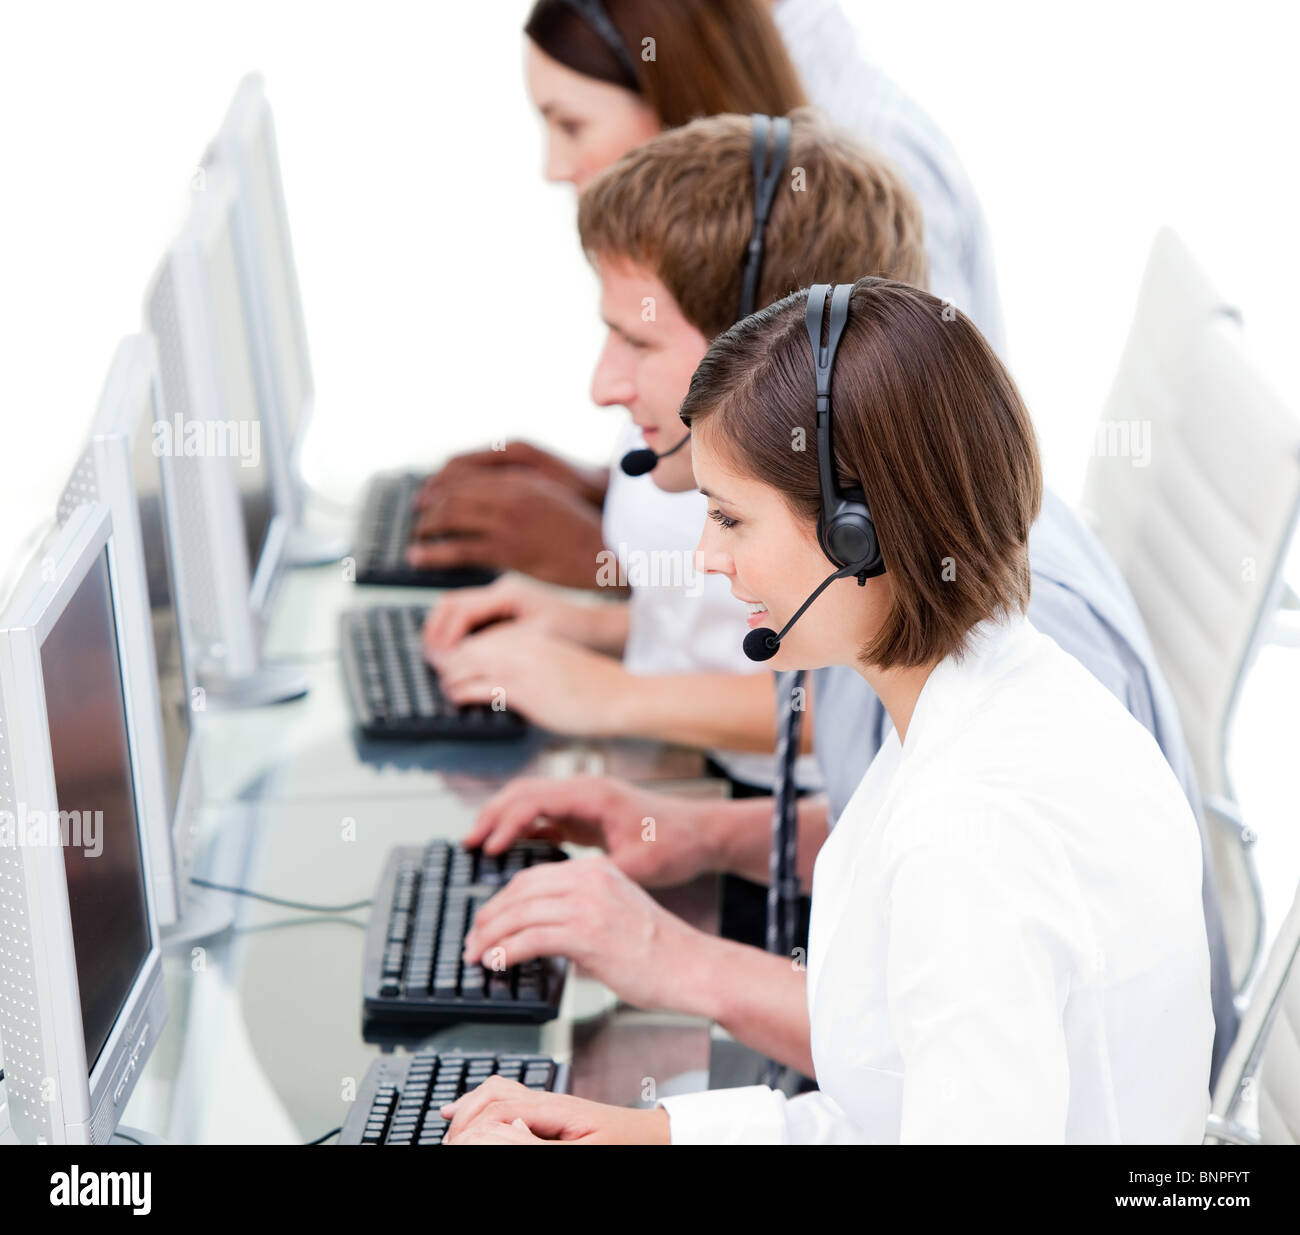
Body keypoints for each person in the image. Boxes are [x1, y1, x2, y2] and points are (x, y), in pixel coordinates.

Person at [420, 112, 1239, 1076]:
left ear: (775, 353)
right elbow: (901, 843)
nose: (605, 387)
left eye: (634, 342)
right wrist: (704, 835)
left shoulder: (1004, 623)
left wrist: (669, 958)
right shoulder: (878, 564)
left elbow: (977, 1040)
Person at [408, 0, 1003, 585]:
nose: (554, 167)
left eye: (571, 124)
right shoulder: (708, 249)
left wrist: (605, 568)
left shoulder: (854, 181)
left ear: (674, 97)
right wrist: (604, 493)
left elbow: (884, 533)